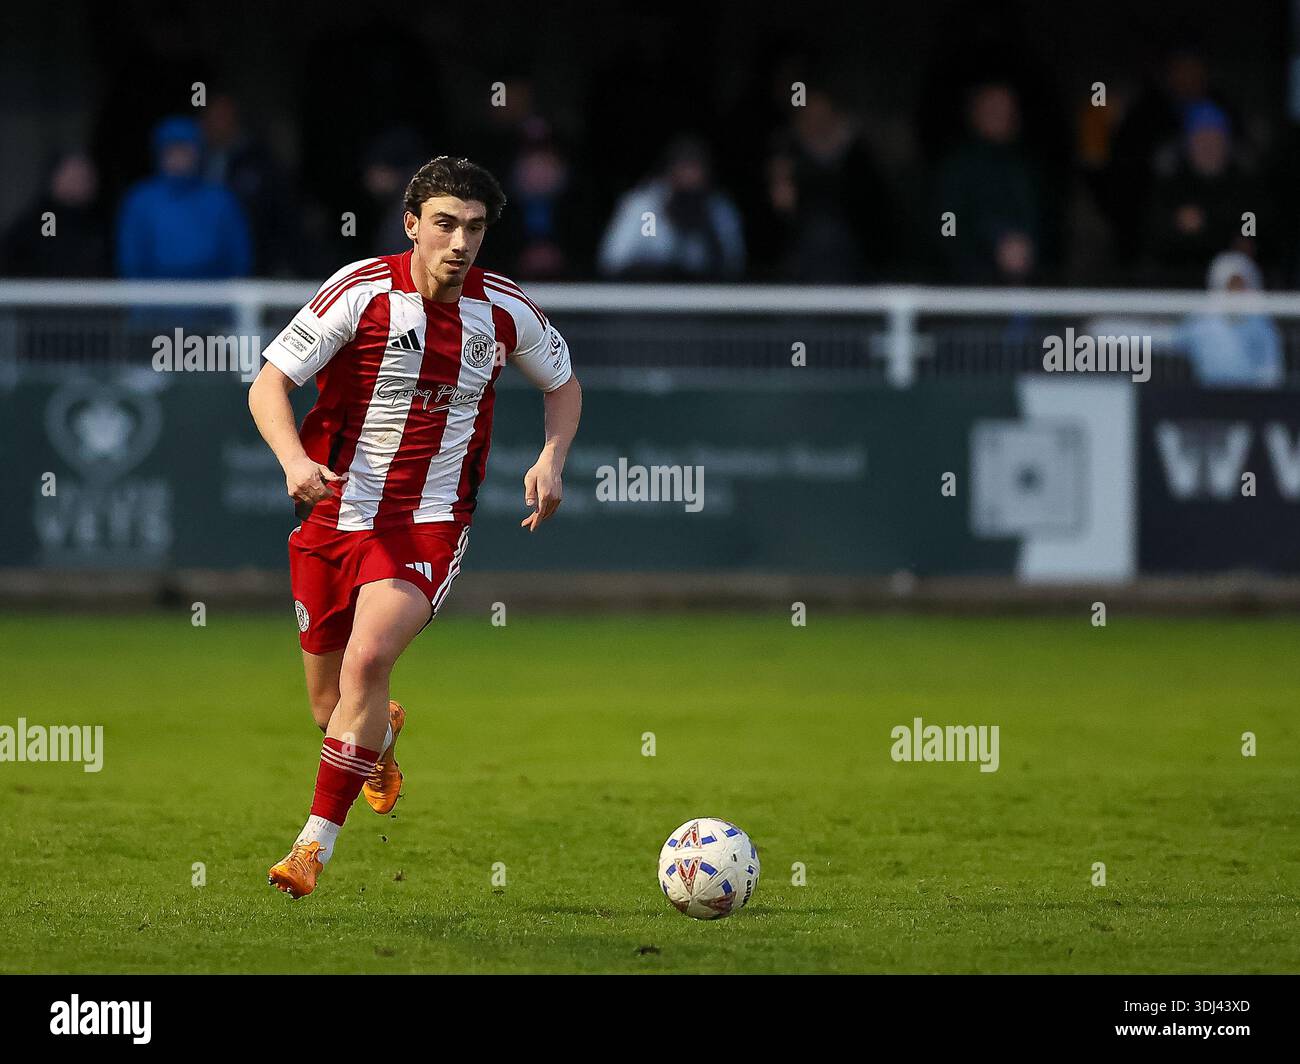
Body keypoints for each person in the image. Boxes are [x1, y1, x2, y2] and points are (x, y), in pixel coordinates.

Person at [247, 156, 582, 899]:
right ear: (411, 225)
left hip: (428, 522)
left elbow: (563, 384)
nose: (458, 243)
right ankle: (382, 738)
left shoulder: (504, 310)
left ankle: (310, 850)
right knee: (330, 709)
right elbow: (269, 383)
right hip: (334, 515)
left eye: (474, 228)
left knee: (368, 661)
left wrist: (552, 458)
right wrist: (293, 459)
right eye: (443, 224)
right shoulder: (360, 292)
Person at [115, 116, 252, 279]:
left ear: (199, 153)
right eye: (172, 150)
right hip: (154, 299)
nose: (179, 157)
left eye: (186, 150)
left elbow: (238, 257)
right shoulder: (140, 200)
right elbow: (130, 259)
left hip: (213, 299)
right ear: (160, 154)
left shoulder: (221, 200)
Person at [597, 137, 745, 280]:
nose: (690, 175)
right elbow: (612, 261)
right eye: (684, 166)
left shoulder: (718, 208)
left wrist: (706, 228)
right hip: (647, 296)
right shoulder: (644, 205)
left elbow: (734, 265)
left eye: (696, 167)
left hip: (703, 297)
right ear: (670, 169)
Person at [1174, 251, 1284, 388]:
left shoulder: (1260, 322)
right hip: (1209, 397)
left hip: (1251, 398)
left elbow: (1271, 367)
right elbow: (1171, 338)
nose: (1236, 291)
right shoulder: (1202, 320)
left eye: (1240, 285)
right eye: (1231, 285)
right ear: (1219, 284)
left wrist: (1265, 395)